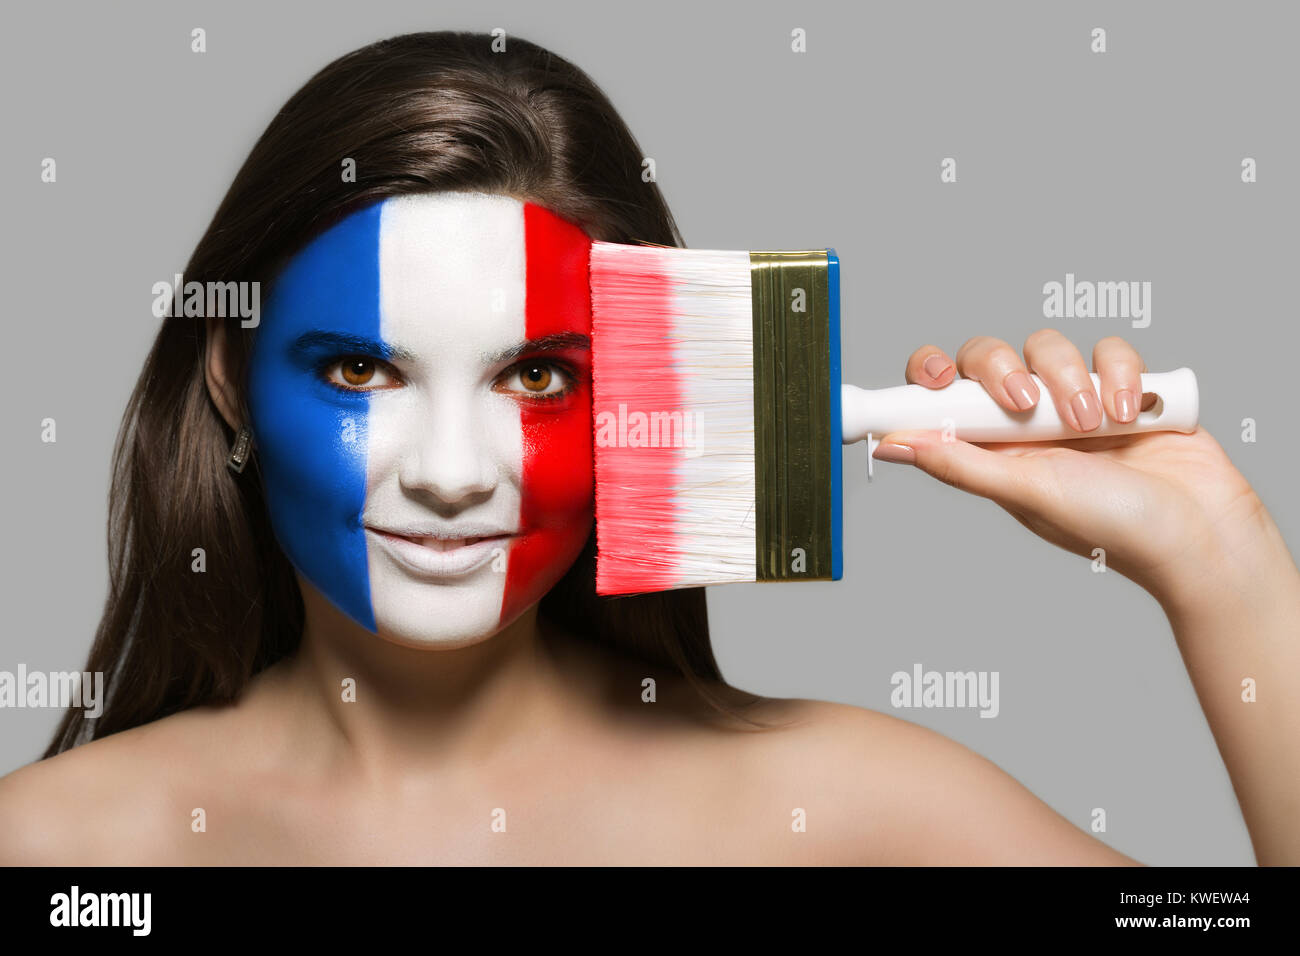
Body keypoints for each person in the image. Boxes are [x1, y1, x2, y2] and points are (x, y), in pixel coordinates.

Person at [1, 31, 1296, 866]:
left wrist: (1223, 569)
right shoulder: (57, 854)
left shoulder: (848, 814)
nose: (453, 472)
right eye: (360, 370)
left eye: (538, 375)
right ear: (229, 379)